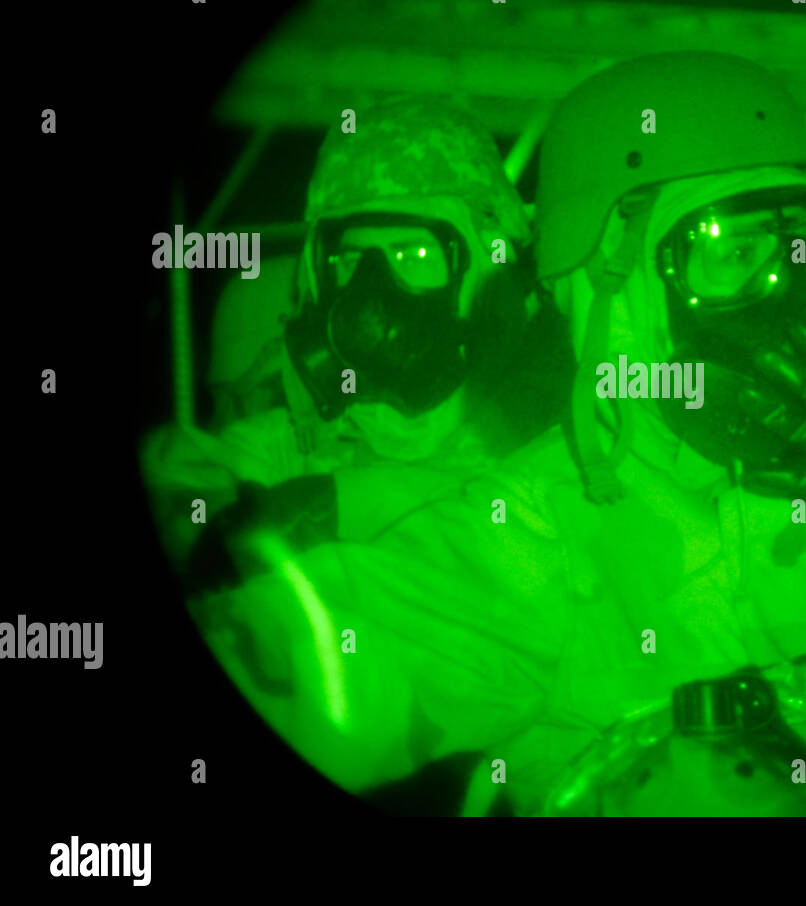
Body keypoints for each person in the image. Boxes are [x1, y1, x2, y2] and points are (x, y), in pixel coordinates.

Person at [240, 53, 806, 816]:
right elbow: (315, 664)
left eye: (805, 242)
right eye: (731, 247)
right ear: (613, 299)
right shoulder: (530, 541)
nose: (789, 291)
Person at [140, 94, 552, 797]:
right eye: (352, 258)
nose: (372, 294)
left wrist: (330, 508)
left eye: (415, 253)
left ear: (488, 271)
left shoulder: (554, 461)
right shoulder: (292, 447)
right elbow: (194, 487)